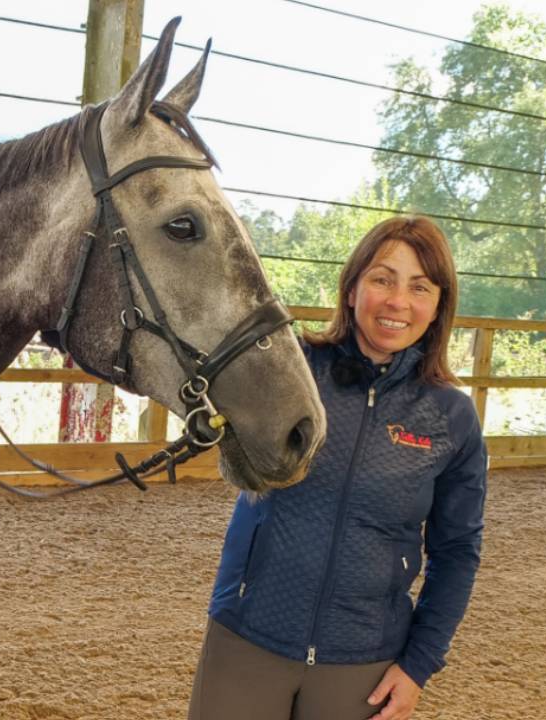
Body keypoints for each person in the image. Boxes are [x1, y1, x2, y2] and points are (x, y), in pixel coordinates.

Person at [188, 216, 488, 720]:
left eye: (419, 287)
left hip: (362, 666)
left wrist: (418, 665)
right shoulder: (291, 370)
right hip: (247, 640)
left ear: (438, 307)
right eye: (382, 279)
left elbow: (457, 553)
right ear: (351, 290)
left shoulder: (451, 418)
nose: (398, 301)